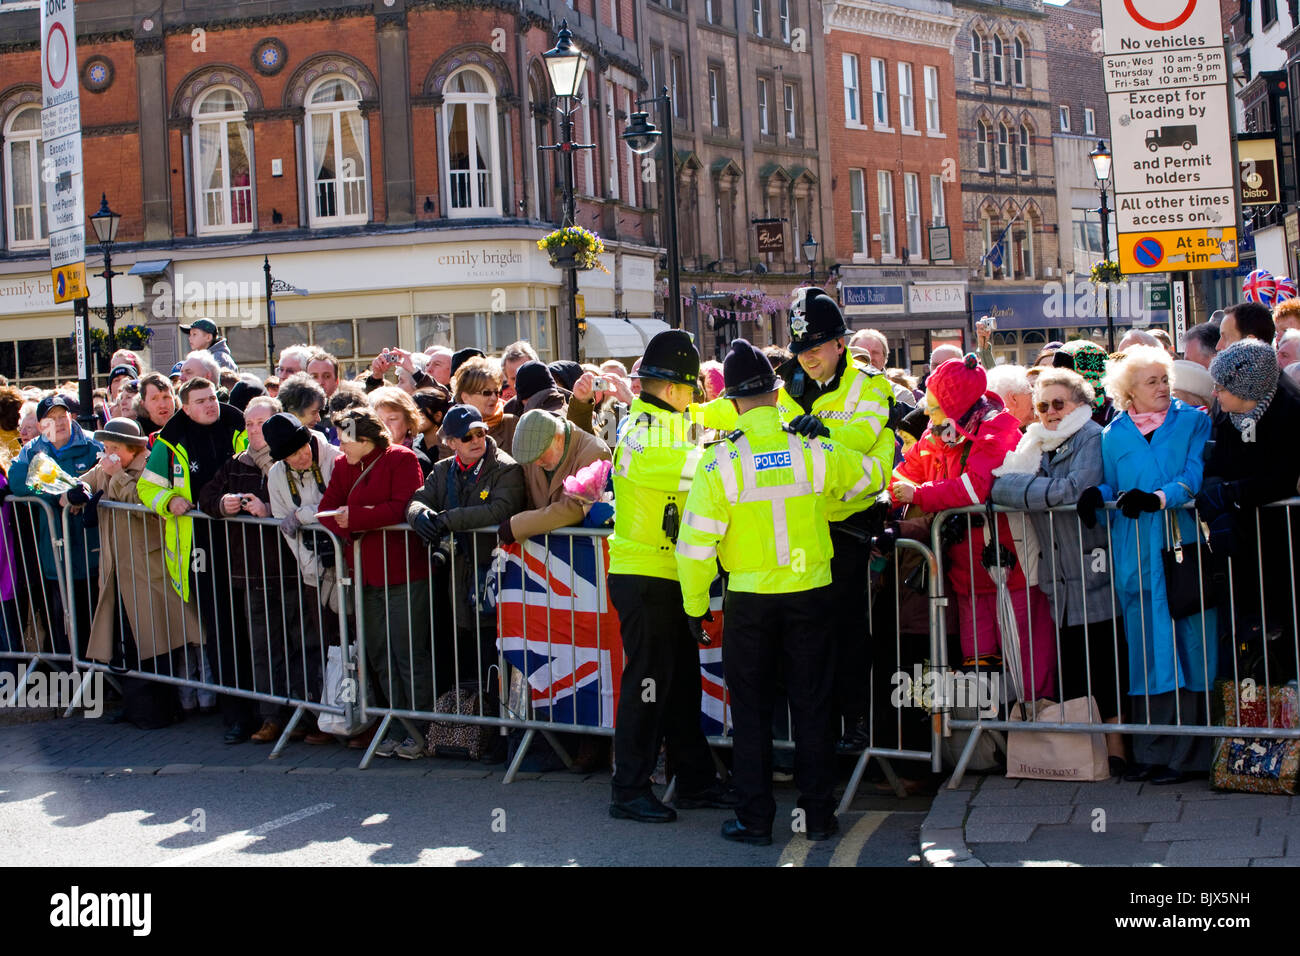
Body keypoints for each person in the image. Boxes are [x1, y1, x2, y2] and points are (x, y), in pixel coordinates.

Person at [676, 338, 878, 845]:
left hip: (750, 600)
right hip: (812, 593)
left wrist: (697, 607)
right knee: (814, 705)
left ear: (735, 401)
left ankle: (754, 819)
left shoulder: (719, 461)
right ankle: (819, 817)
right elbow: (870, 484)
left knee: (751, 712)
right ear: (777, 390)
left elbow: (695, 547)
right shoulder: (813, 446)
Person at [605, 330, 735, 824]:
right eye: (694, 389)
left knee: (680, 684)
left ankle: (696, 780)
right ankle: (629, 788)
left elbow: (715, 422)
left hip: (671, 574)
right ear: (678, 387)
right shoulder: (644, 430)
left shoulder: (672, 420)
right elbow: (698, 471)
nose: (698, 398)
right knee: (648, 684)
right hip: (647, 575)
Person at [1077, 344, 1216, 785]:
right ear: (1128, 391)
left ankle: (1190, 757)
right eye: (1151, 381)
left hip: (1181, 548)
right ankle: (1152, 752)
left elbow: (1192, 477)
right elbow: (1113, 486)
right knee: (1146, 652)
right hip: (1135, 555)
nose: (1162, 387)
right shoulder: (1112, 433)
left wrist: (1159, 498)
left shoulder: (1194, 421)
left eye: (1164, 379)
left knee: (1192, 651)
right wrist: (1095, 497)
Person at [892, 355, 1057, 702]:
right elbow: (907, 471)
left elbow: (974, 487)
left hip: (1011, 568)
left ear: (954, 403)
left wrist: (919, 494)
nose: (929, 414)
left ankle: (1036, 739)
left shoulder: (998, 428)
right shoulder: (940, 432)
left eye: (935, 407)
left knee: (1027, 661)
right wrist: (887, 499)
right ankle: (991, 743)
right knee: (980, 671)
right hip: (966, 575)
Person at [992, 368, 1127, 774]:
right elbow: (997, 489)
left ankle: (1117, 752)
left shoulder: (1089, 436)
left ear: (1080, 405)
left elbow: (1076, 489)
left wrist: (1025, 490)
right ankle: (1086, 756)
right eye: (1042, 406)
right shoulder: (1035, 443)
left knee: (1104, 662)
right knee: (1075, 666)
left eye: (1058, 404)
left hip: (1092, 568)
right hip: (1059, 579)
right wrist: (1033, 490)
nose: (1049, 412)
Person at [137, 377, 253, 743]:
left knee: (257, 629)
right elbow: (147, 486)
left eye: (212, 398)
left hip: (248, 543)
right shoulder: (171, 440)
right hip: (201, 548)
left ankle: (272, 713)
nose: (209, 406)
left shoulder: (241, 426)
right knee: (222, 633)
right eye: (200, 401)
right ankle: (236, 715)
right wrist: (169, 500)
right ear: (185, 407)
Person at [318, 408, 431, 759]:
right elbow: (327, 510)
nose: (340, 445)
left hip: (402, 572)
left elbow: (404, 507)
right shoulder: (341, 466)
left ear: (365, 440)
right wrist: (350, 524)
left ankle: (421, 727)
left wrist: (357, 520)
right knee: (380, 654)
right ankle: (394, 723)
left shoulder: (401, 459)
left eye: (345, 439)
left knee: (408, 652)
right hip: (363, 574)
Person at [73, 418, 204, 696]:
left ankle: (179, 702)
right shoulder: (106, 468)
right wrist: (77, 491)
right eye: (106, 446)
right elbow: (79, 485)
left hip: (149, 566)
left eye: (115, 447)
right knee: (129, 638)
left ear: (132, 448)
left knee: (166, 635)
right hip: (118, 568)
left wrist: (118, 475)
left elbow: (142, 499)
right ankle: (137, 702)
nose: (108, 452)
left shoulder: (148, 465)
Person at [1197, 340, 1300, 686]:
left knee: (1286, 627)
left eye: (1222, 387)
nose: (1216, 393)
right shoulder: (1229, 416)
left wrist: (1234, 492)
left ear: (1247, 387)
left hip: (1284, 543)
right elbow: (1220, 461)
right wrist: (1215, 487)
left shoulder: (1290, 412)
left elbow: (1285, 476)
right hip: (1244, 543)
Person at [406, 404, 525, 697]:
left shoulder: (505, 467)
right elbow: (418, 500)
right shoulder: (443, 469)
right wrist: (419, 516)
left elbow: (501, 509)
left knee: (494, 649)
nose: (476, 440)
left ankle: (501, 726)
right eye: (467, 436)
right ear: (451, 442)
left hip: (496, 571)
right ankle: (473, 725)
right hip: (457, 574)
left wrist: (447, 519)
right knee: (462, 649)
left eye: (480, 432)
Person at [265, 412, 345, 745]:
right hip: (314, 571)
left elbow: (338, 506)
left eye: (303, 446)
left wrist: (304, 514)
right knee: (325, 646)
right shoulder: (275, 476)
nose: (302, 455)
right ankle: (331, 717)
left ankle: (362, 720)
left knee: (355, 641)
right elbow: (285, 528)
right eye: (293, 453)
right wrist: (313, 569)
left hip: (349, 564)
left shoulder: (334, 458)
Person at [8, 395, 103, 660]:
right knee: (63, 625)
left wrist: (82, 492)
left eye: (63, 416)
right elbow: (17, 480)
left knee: (97, 620)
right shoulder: (32, 450)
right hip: (57, 556)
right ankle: (73, 682)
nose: (60, 423)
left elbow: (106, 476)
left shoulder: (93, 442)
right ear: (40, 426)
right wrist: (61, 494)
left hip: (94, 552)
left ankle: (102, 682)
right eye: (52, 419)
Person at [498, 409, 610, 545]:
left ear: (558, 438)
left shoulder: (594, 452)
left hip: (582, 550)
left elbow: (577, 508)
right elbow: (528, 499)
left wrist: (519, 525)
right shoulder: (533, 455)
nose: (537, 463)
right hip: (544, 553)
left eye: (540, 455)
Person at [452, 356, 517, 454]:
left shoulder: (511, 424)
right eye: (486, 393)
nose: (494, 398)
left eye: (496, 392)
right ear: (465, 397)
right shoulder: (449, 429)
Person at [369, 386, 432, 477]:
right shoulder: (365, 457)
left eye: (392, 419)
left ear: (409, 421)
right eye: (380, 420)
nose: (385, 425)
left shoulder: (419, 461)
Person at [501, 340, 540, 412]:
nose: (519, 383)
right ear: (507, 380)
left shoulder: (561, 402)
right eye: (514, 379)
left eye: (525, 376)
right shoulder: (507, 410)